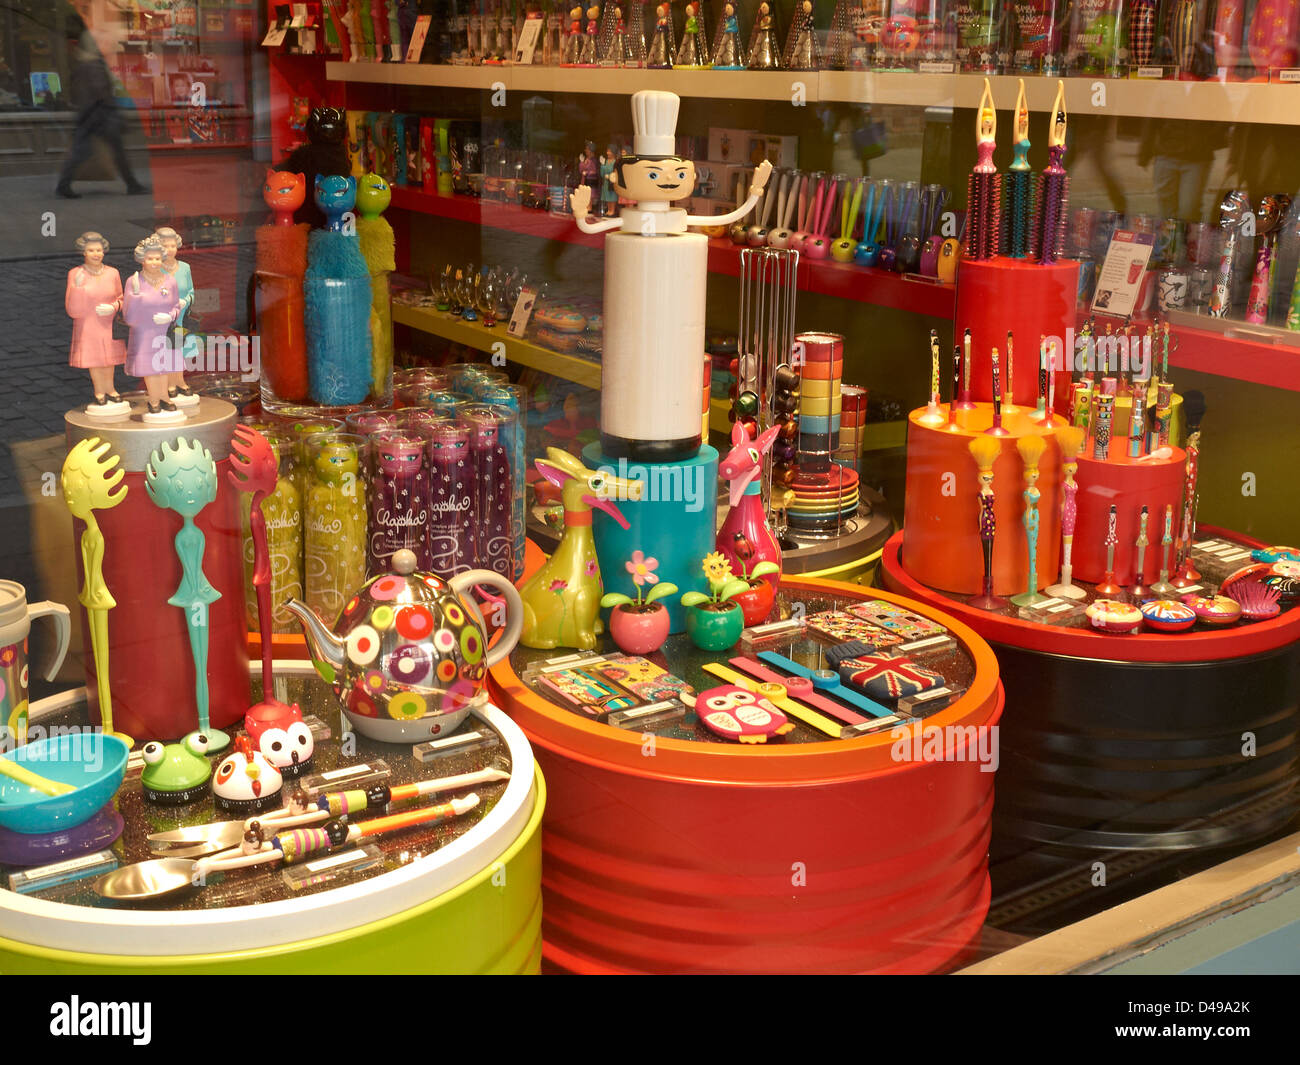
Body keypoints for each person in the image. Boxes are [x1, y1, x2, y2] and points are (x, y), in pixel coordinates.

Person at [56, 16, 147, 199]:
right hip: (98, 116)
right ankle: (131, 184)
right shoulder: (94, 65)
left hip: (92, 115)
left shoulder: (86, 64)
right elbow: (101, 93)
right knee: (101, 151)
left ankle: (64, 184)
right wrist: (113, 111)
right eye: (104, 42)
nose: (108, 45)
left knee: (91, 151)